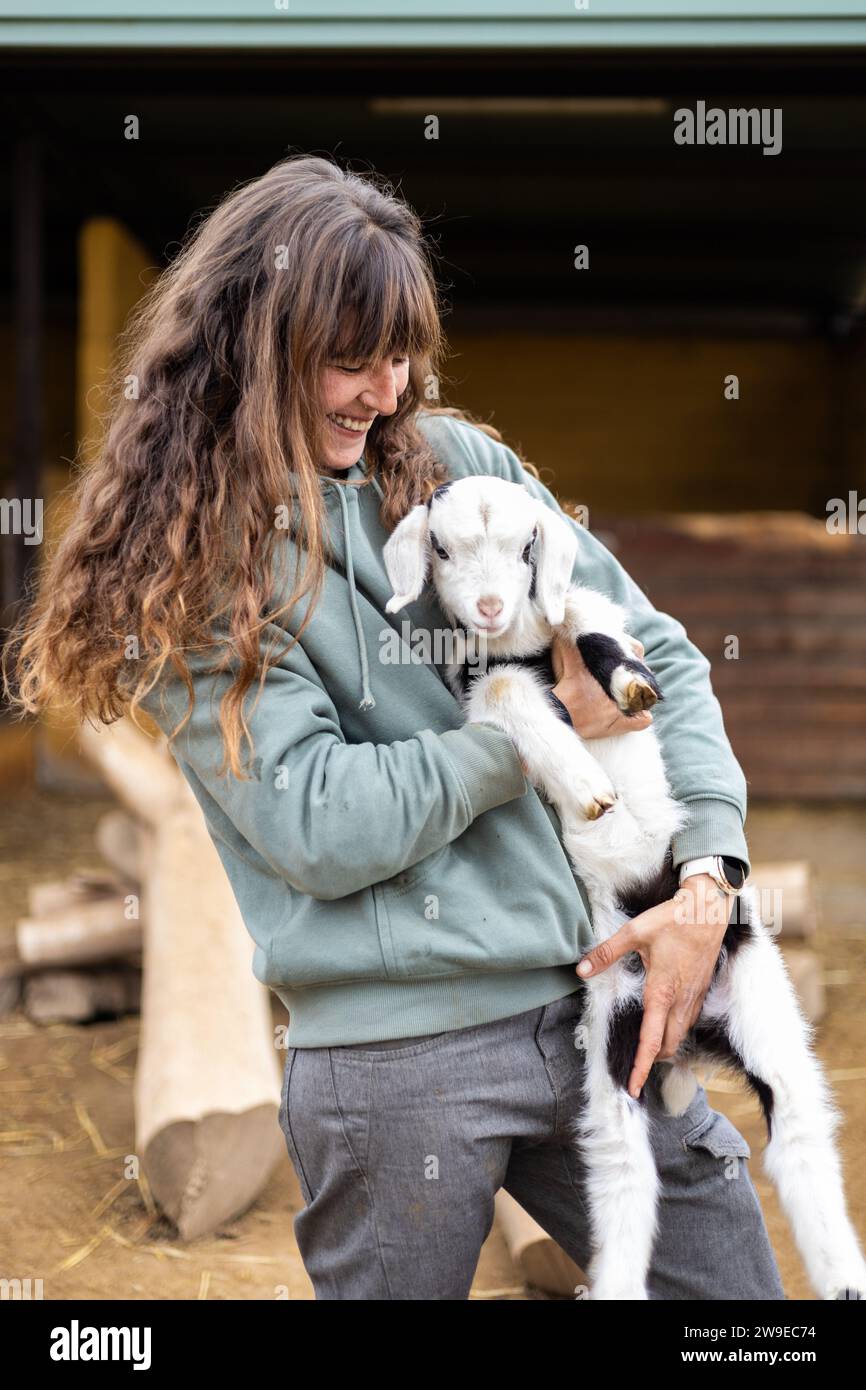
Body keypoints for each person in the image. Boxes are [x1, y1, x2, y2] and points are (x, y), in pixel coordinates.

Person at [4, 153, 784, 1301]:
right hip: (392, 1064)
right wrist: (522, 734)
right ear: (250, 344)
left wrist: (705, 877)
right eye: (347, 358)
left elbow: (654, 652)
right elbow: (321, 821)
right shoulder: (179, 581)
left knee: (738, 1306)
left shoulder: (459, 466)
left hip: (584, 1007)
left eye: (401, 352)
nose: (385, 388)